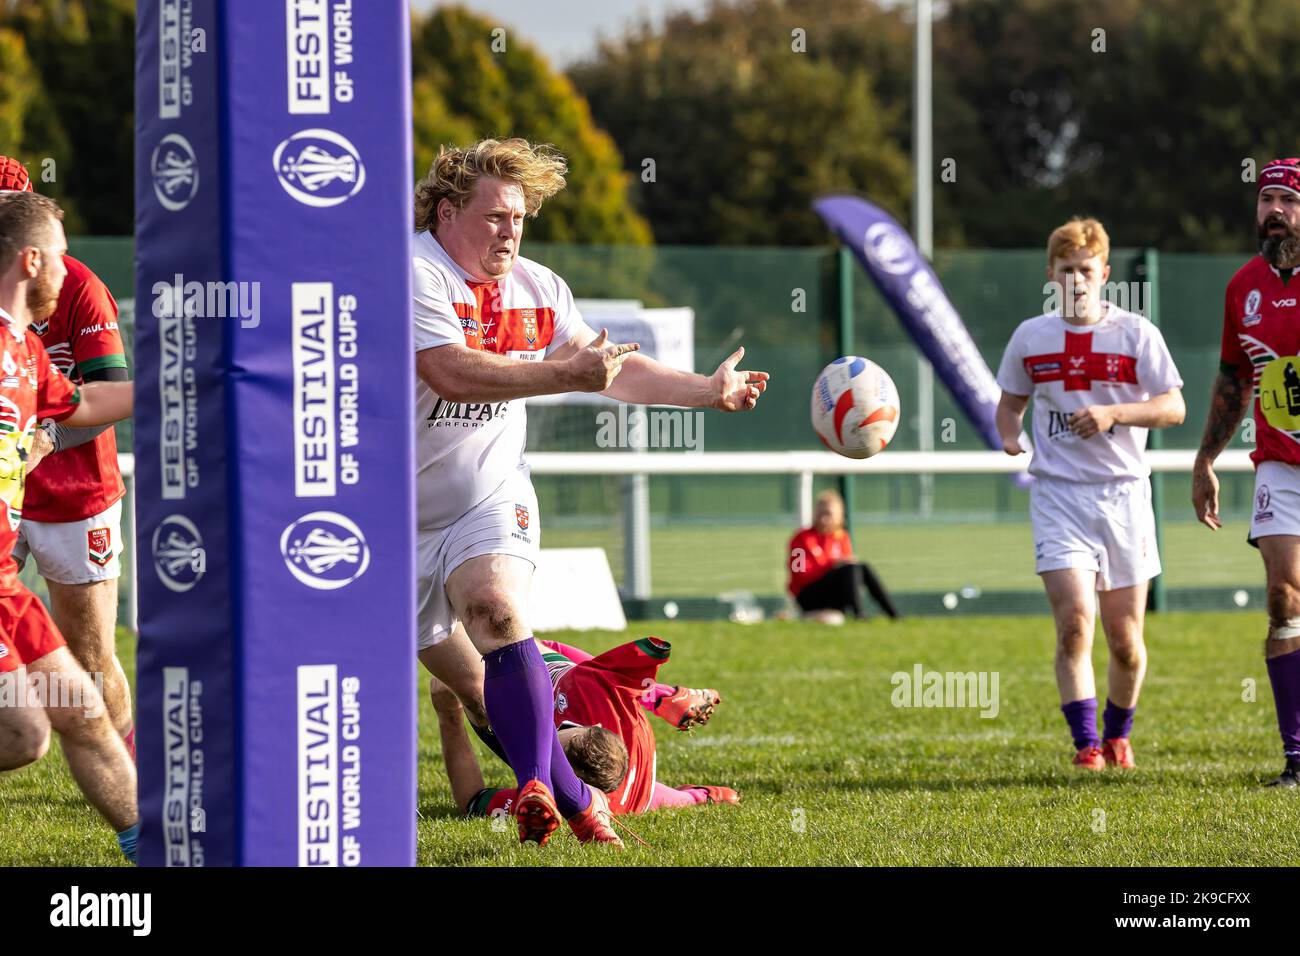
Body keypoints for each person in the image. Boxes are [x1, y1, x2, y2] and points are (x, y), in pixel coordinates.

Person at [412, 138, 768, 846]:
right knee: (476, 692)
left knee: (496, 612)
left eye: (519, 218)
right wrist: (565, 376)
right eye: (494, 217)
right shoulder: (415, 271)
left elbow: (615, 372)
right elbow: (452, 372)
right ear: (448, 212)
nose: (511, 231)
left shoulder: (541, 288)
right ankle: (576, 799)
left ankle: (545, 792)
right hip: (385, 516)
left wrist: (706, 390)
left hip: (486, 496)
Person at [996, 217, 1184, 771]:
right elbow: (1010, 405)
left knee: (1125, 639)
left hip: (1124, 497)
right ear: (1050, 277)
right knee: (1076, 621)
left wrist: (1114, 414)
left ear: (1104, 273)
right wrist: (1010, 437)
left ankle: (1118, 733)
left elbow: (1173, 408)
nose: (1077, 280)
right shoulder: (1032, 337)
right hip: (1058, 497)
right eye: (1066, 270)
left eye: (1086, 270)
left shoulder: (1136, 334)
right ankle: (1086, 747)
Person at [0, 191, 138, 860]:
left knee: (71, 709)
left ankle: (158, 847)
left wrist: (193, 380)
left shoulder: (24, 353)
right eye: (58, 255)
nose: (71, 267)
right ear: (31, 261)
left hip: (8, 582)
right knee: (26, 732)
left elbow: (87, 400)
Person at [1193, 157, 1300, 787]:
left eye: (1288, 198)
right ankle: (1296, 757)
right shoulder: (1243, 289)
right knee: (1284, 598)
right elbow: (1235, 379)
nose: (1274, 210)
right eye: (1266, 200)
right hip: (1279, 465)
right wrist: (1207, 458)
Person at [430, 635, 738, 824]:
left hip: (634, 787)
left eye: (550, 744)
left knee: (668, 799)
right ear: (590, 726)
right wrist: (667, 695)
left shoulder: (557, 806)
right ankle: (664, 697)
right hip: (602, 710)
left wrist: (449, 715)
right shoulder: (587, 692)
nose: (543, 743)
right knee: (517, 643)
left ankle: (703, 794)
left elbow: (473, 800)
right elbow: (593, 667)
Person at [787, 489, 900, 623]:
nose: (824, 519)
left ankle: (893, 615)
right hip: (809, 595)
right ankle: (859, 615)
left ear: (839, 516)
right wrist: (831, 565)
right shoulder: (801, 538)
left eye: (828, 514)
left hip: (835, 595)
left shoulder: (841, 537)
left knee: (861, 567)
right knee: (850, 569)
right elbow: (797, 573)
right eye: (820, 513)